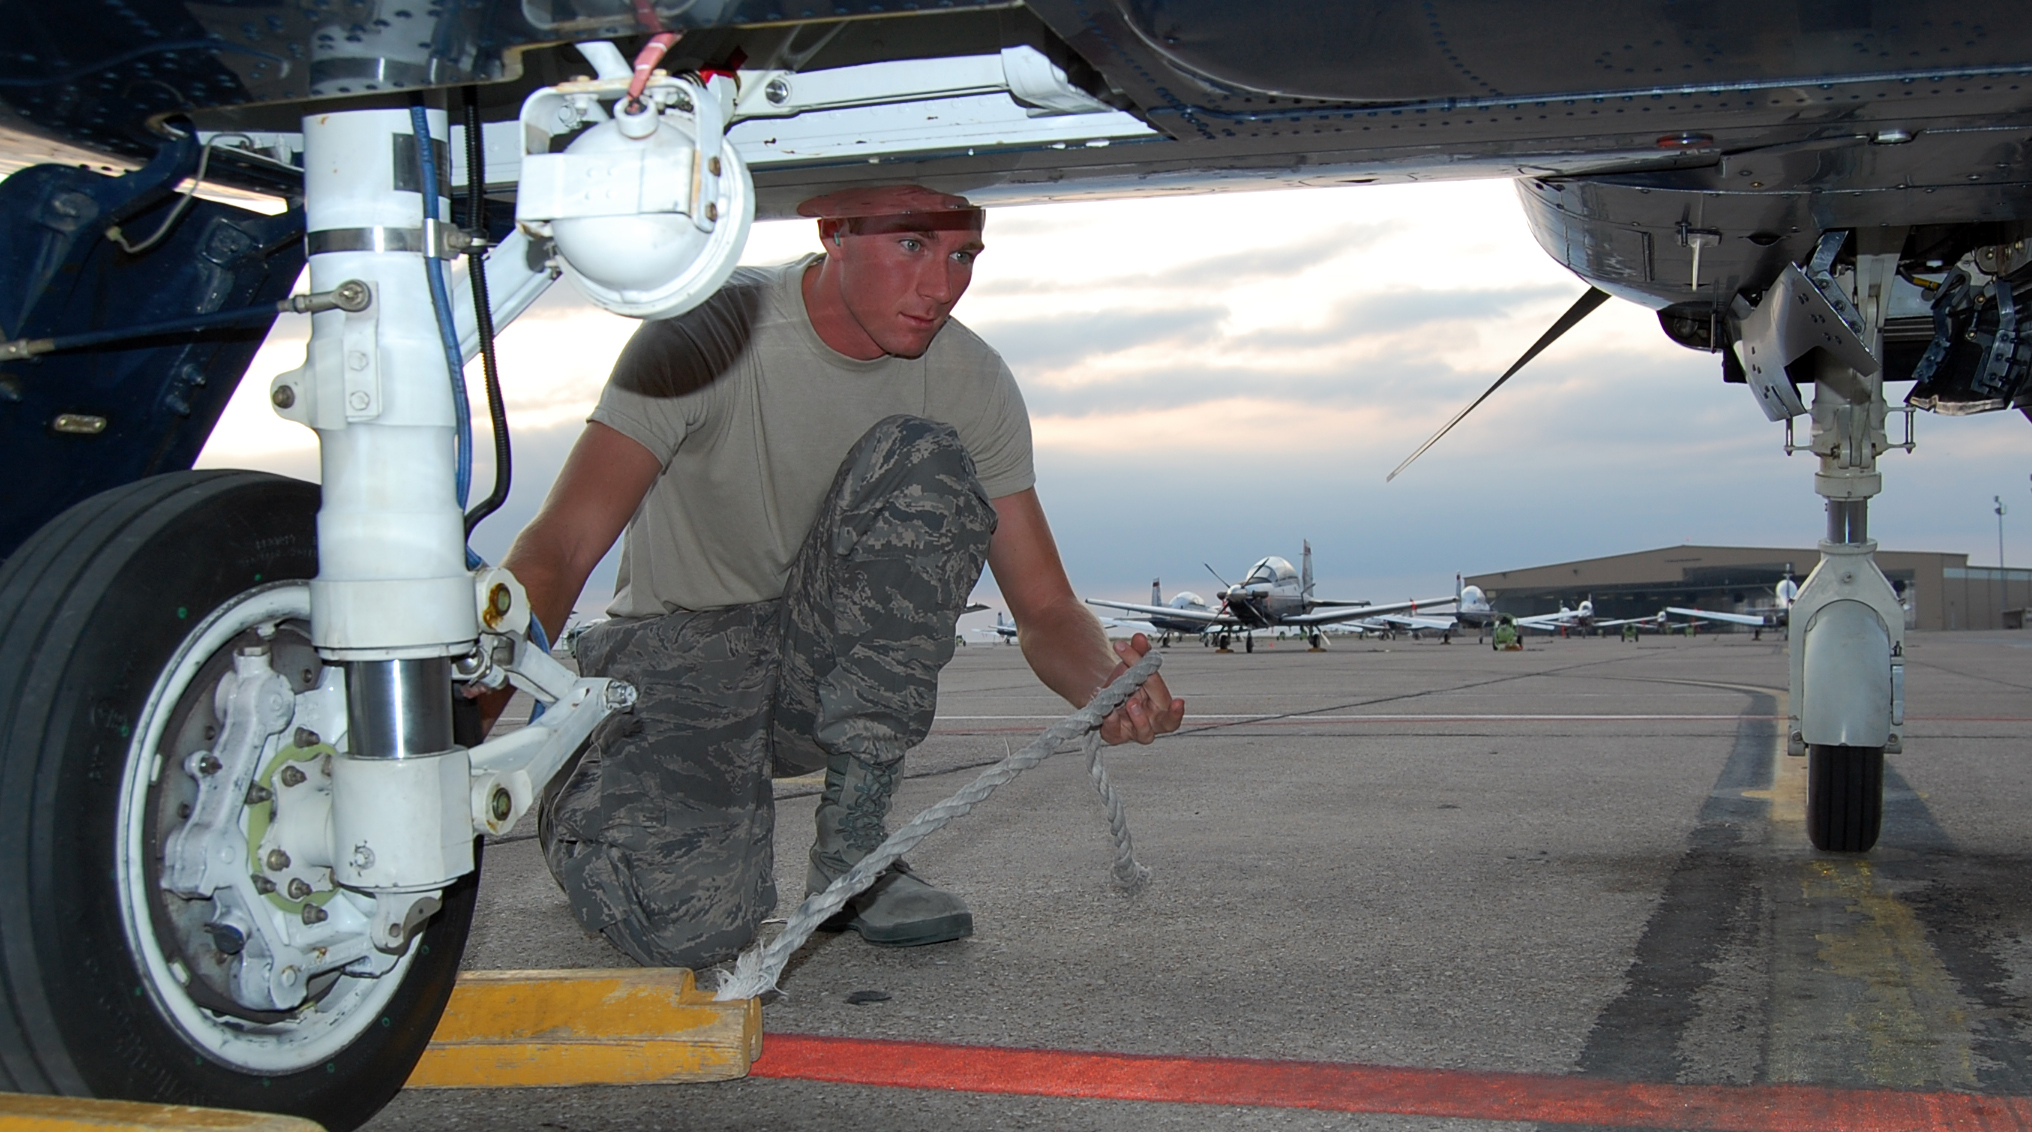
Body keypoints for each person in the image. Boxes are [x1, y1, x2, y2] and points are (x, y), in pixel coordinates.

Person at [486, 184, 1184, 970]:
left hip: (809, 671)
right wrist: (454, 733)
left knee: (925, 461)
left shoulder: (970, 379)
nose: (942, 287)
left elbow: (1045, 604)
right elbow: (563, 546)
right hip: (682, 659)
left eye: (963, 256)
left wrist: (1105, 683)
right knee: (691, 934)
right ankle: (587, 790)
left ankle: (854, 859)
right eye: (912, 246)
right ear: (834, 232)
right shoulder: (710, 330)